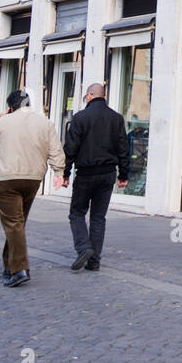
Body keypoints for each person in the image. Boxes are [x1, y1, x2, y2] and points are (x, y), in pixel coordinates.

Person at [0, 90, 66, 288]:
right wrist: (59, 172)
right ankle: (9, 265)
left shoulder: (5, 121)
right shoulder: (45, 122)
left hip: (6, 178)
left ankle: (19, 269)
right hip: (33, 178)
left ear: (11, 106)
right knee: (17, 223)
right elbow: (55, 149)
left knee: (14, 223)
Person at [61, 83, 129, 272]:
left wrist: (64, 173)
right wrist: (124, 174)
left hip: (86, 174)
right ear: (103, 96)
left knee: (77, 213)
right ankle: (94, 261)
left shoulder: (80, 118)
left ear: (89, 96)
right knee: (98, 217)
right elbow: (123, 148)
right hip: (108, 174)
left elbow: (71, 148)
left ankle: (83, 247)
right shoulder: (116, 118)